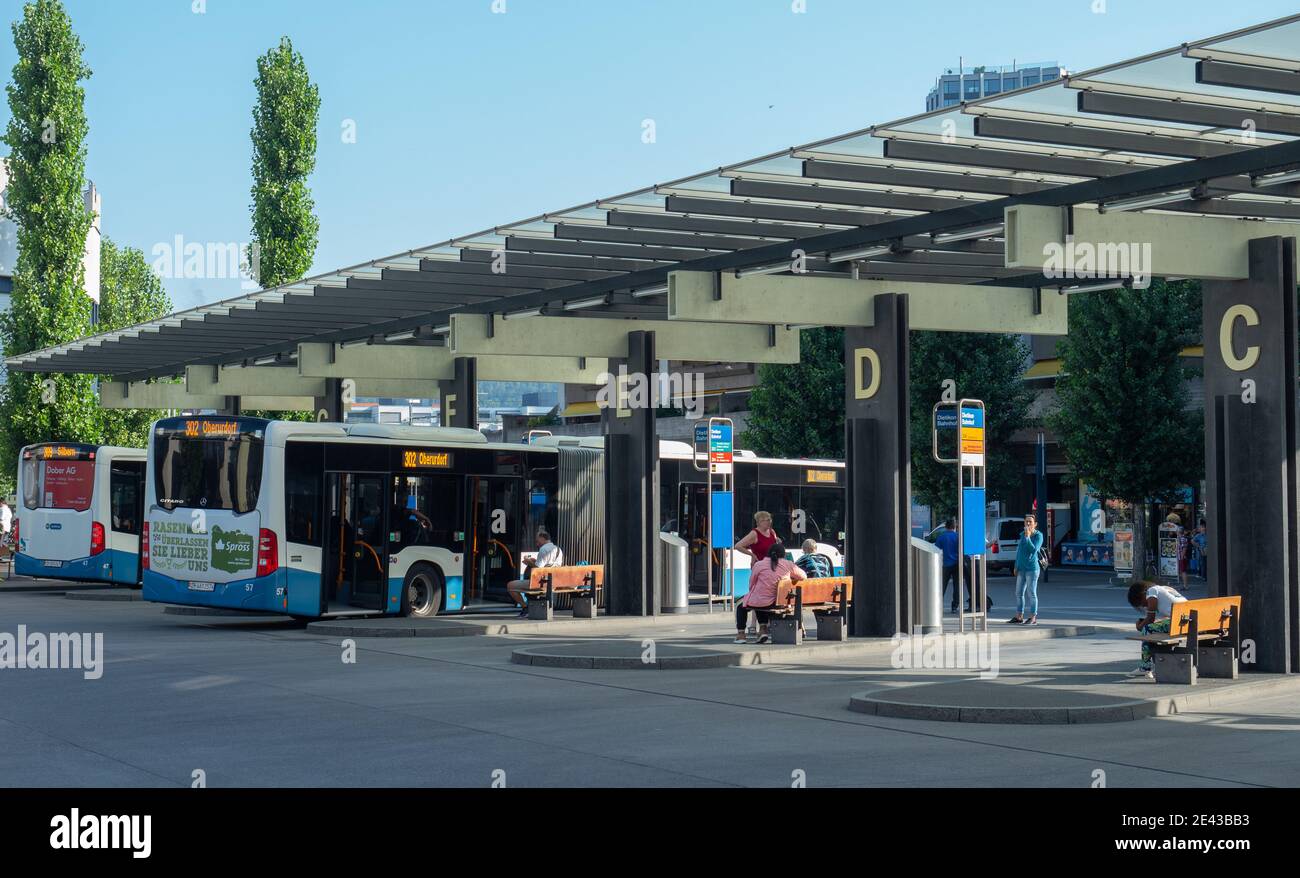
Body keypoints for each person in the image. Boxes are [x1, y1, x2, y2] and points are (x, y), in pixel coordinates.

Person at [735, 541, 804, 644]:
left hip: (761, 601)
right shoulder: (788, 565)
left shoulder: (759, 564)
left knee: (742, 605)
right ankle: (762, 630)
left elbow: (751, 584)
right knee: (761, 600)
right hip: (780, 602)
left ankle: (741, 635)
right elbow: (804, 576)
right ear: (783, 554)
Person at [1127, 579, 1188, 678]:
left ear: (1142, 594)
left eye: (1140, 602)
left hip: (1178, 622)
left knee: (1146, 629)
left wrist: (1140, 626)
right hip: (1187, 621)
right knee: (1150, 628)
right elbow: (1168, 613)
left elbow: (1150, 618)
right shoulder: (1165, 588)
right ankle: (1151, 665)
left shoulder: (1152, 591)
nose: (1143, 605)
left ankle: (1145, 667)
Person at [506, 530, 565, 616]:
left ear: (542, 538)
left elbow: (538, 570)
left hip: (541, 584)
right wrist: (534, 561)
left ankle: (525, 607)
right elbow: (548, 565)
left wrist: (528, 562)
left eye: (537, 541)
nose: (537, 544)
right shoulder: (558, 550)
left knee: (510, 585)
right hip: (553, 584)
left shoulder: (543, 549)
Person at [1008, 513, 1044, 625]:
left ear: (1035, 524)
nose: (1028, 523)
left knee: (1031, 593)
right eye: (1026, 521)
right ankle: (1019, 616)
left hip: (1032, 569)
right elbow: (1020, 552)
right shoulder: (1022, 534)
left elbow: (1034, 550)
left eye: (1030, 522)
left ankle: (1033, 617)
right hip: (1021, 568)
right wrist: (1016, 566)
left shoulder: (1038, 535)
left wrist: (1028, 537)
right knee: (1019, 593)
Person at [934, 519, 962, 613]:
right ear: (954, 527)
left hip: (946, 564)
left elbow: (936, 549)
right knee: (957, 586)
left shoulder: (941, 537)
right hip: (957, 564)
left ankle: (938, 605)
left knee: (942, 586)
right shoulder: (958, 537)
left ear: (946, 527)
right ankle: (955, 606)